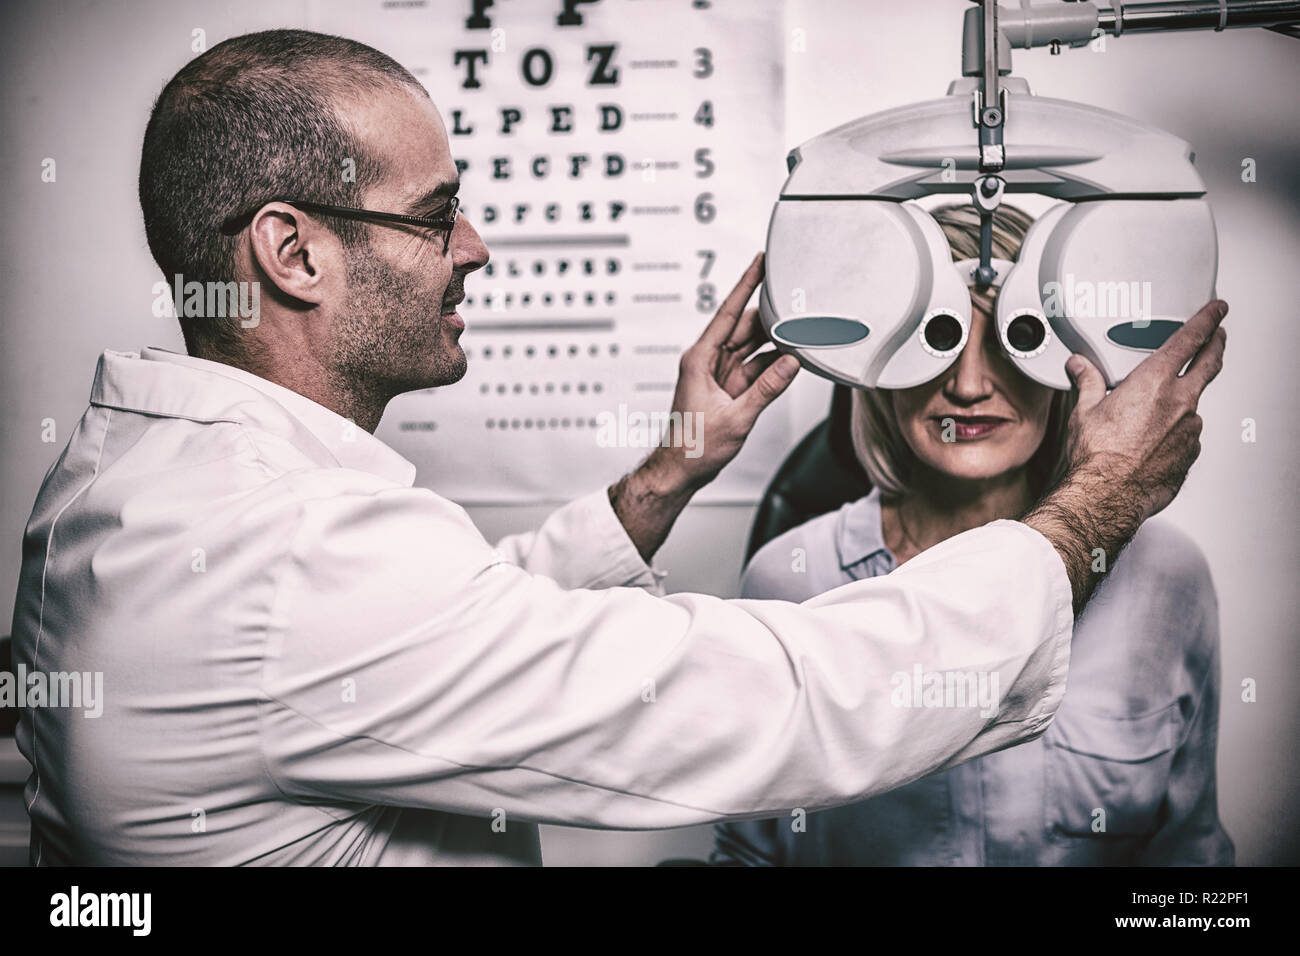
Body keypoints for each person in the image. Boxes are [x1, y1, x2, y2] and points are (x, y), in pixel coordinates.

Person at [10, 30, 1227, 865]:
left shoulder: (152, 490)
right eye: (437, 215)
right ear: (293, 253)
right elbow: (784, 705)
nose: (477, 246)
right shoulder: (275, 554)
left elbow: (437, 636)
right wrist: (1091, 507)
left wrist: (666, 474)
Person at [712, 204, 1233, 866]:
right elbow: (753, 853)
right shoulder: (788, 579)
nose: (967, 385)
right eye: (937, 339)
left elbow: (1190, 854)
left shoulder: (1166, 576)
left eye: (1013, 342)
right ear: (878, 369)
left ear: (1070, 363)